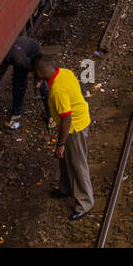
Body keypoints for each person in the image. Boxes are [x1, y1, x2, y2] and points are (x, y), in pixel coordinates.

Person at [34, 56, 94, 220]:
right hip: (79, 119)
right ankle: (65, 188)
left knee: (77, 164)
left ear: (39, 73)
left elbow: (66, 119)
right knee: (65, 159)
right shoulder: (64, 73)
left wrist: (61, 143)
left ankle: (85, 203)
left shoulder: (57, 90)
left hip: (74, 128)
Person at [4, 36, 50, 130]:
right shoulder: (11, 55)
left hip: (34, 52)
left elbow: (35, 70)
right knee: (18, 84)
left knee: (43, 86)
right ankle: (16, 113)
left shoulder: (19, 60)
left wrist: (38, 80)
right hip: (21, 49)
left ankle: (51, 115)